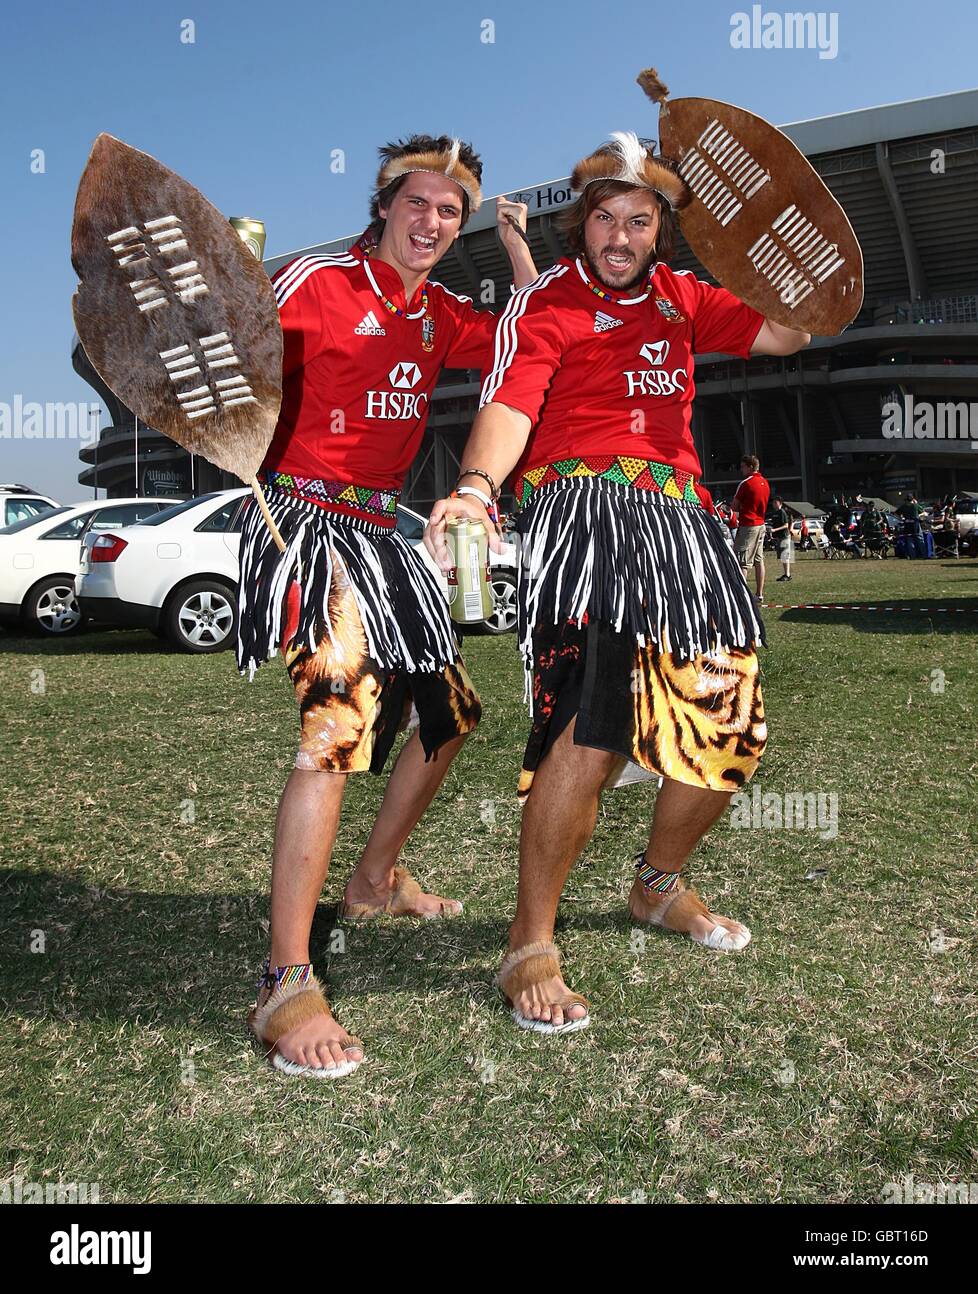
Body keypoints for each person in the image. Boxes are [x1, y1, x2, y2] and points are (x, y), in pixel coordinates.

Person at [426, 132, 809, 1033]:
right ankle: (530, 943)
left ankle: (657, 885)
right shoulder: (546, 300)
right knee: (586, 733)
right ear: (581, 222)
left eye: (640, 220)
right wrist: (477, 490)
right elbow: (510, 404)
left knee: (728, 724)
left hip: (680, 520)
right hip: (582, 515)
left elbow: (790, 332)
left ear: (660, 231)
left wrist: (769, 243)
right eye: (606, 216)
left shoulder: (685, 297)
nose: (621, 234)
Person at [238, 135, 538, 1078]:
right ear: (384, 203)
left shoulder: (442, 312)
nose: (434, 222)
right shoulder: (316, 280)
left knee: (452, 716)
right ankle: (286, 980)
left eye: (452, 212)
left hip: (384, 530)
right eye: (419, 203)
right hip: (304, 521)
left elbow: (533, 338)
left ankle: (371, 881)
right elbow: (225, 361)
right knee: (334, 731)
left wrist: (519, 243)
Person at [732, 456, 771, 602]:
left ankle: (740, 596)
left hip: (748, 525)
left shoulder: (746, 483)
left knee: (742, 561)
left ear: (750, 467)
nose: (741, 469)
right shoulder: (765, 483)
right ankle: (759, 594)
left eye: (742, 467)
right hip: (761, 524)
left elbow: (734, 506)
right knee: (758, 560)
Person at [768, 495, 793, 580]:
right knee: (782, 556)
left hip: (784, 536)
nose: (774, 504)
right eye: (773, 502)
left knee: (785, 556)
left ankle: (787, 575)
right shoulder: (775, 513)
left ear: (780, 503)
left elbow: (786, 525)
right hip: (779, 537)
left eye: (775, 502)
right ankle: (786, 574)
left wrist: (775, 530)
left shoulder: (782, 512)